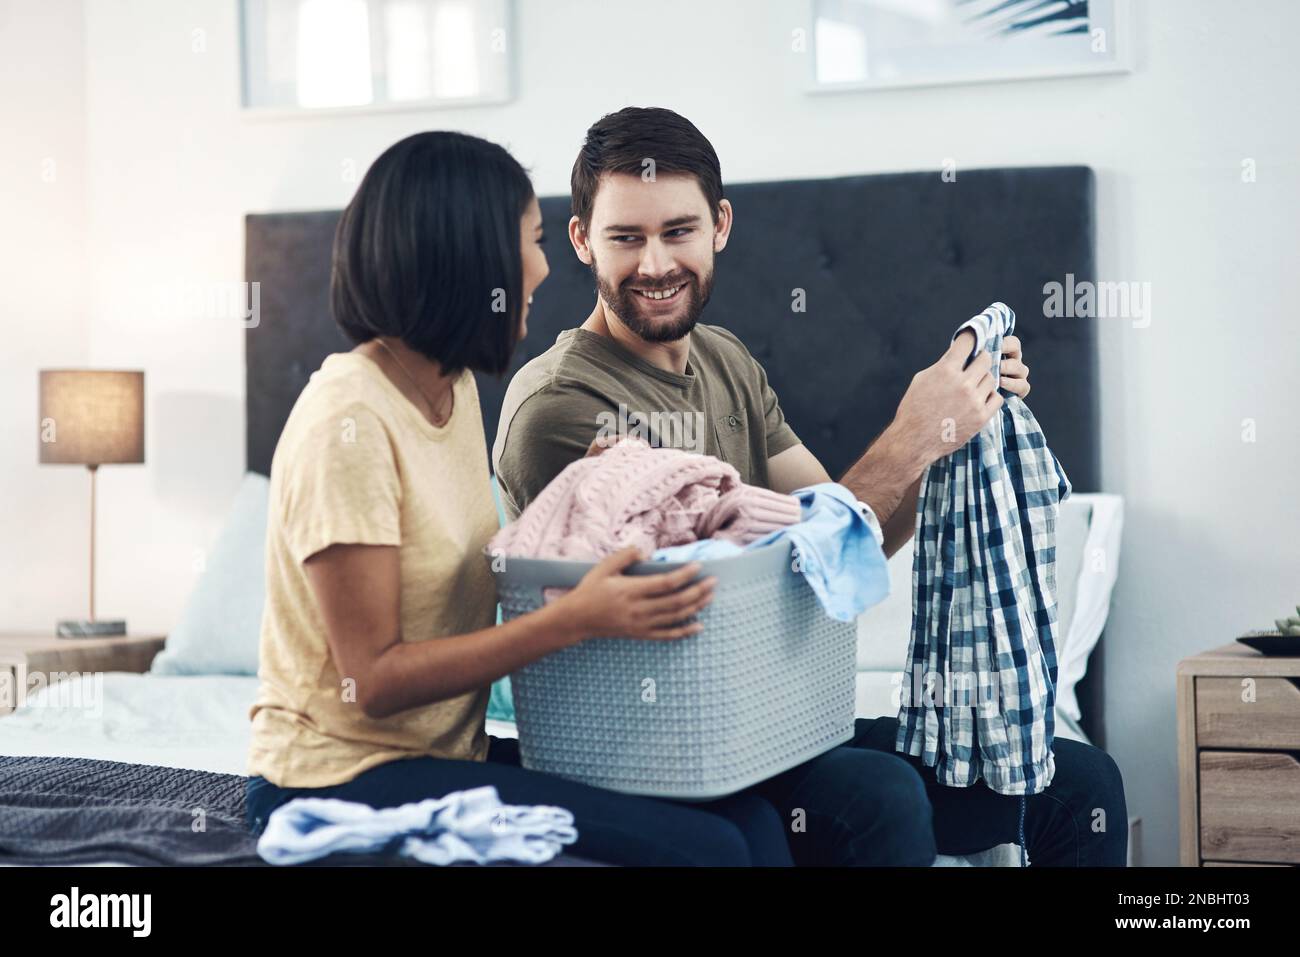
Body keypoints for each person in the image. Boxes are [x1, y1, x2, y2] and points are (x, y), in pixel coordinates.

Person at [492, 107, 1129, 866]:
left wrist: (955, 430)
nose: (655, 264)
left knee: (1081, 781)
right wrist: (909, 434)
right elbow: (767, 581)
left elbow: (847, 548)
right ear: (581, 239)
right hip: (663, 751)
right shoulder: (560, 406)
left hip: (770, 725)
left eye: (679, 230)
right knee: (879, 798)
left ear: (721, 224)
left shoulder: (727, 360)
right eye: (626, 237)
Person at [244, 130, 792, 866]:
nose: (539, 267)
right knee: (708, 851)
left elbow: (468, 561)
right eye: (530, 241)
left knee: (751, 823)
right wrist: (571, 620)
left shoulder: (452, 387)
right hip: (335, 778)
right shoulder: (351, 420)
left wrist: (591, 488)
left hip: (447, 757)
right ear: (469, 259)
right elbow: (371, 679)